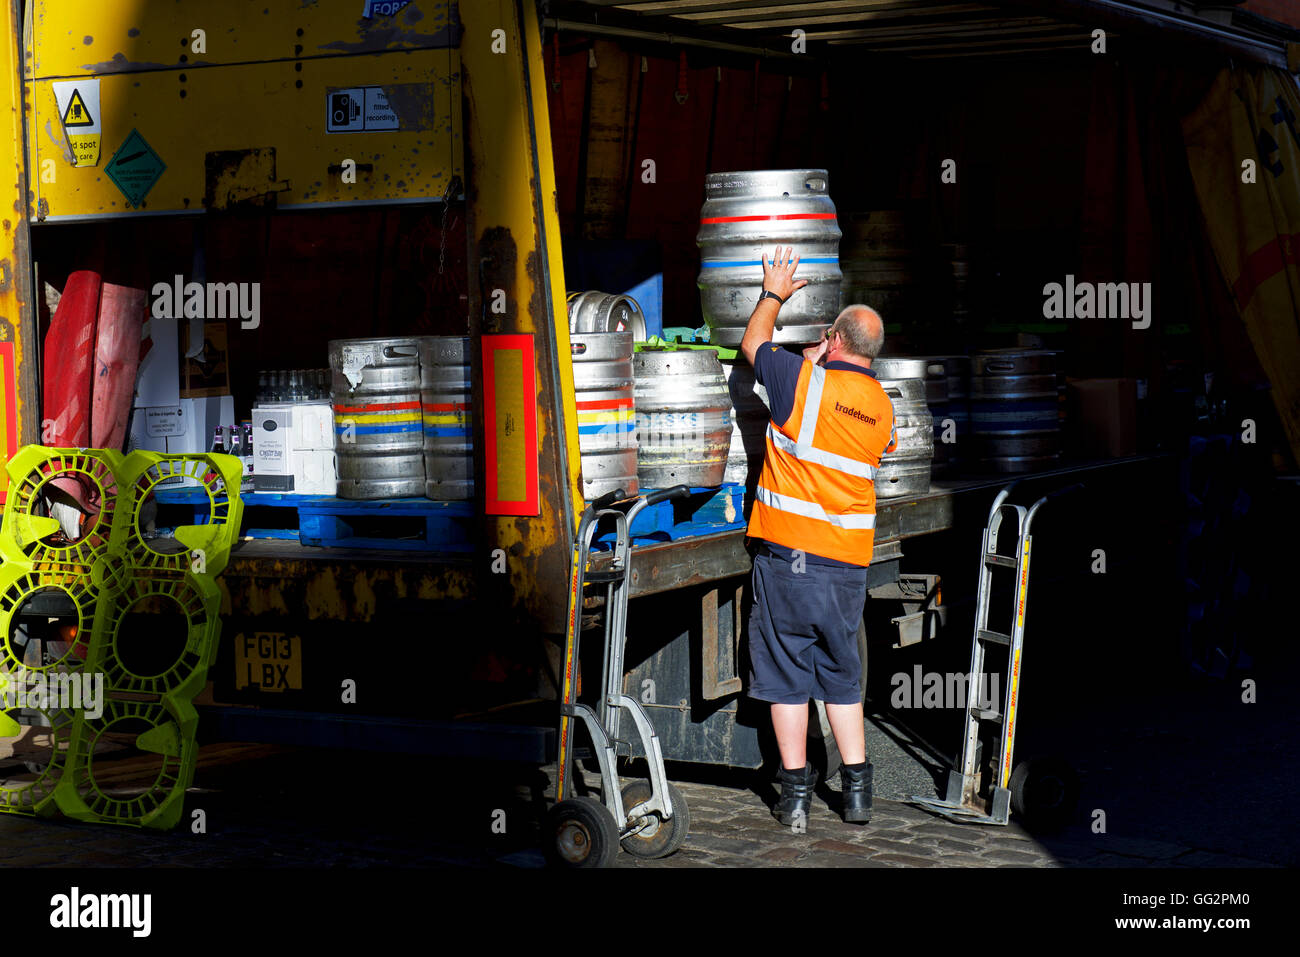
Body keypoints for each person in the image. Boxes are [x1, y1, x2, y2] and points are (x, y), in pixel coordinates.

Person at [738, 246, 897, 826]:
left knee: (785, 679)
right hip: (846, 567)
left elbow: (754, 346)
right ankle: (856, 795)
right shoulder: (881, 408)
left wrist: (775, 293)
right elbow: (858, 438)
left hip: (790, 563)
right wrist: (820, 362)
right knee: (840, 675)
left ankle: (796, 798)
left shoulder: (799, 381)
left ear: (831, 336)